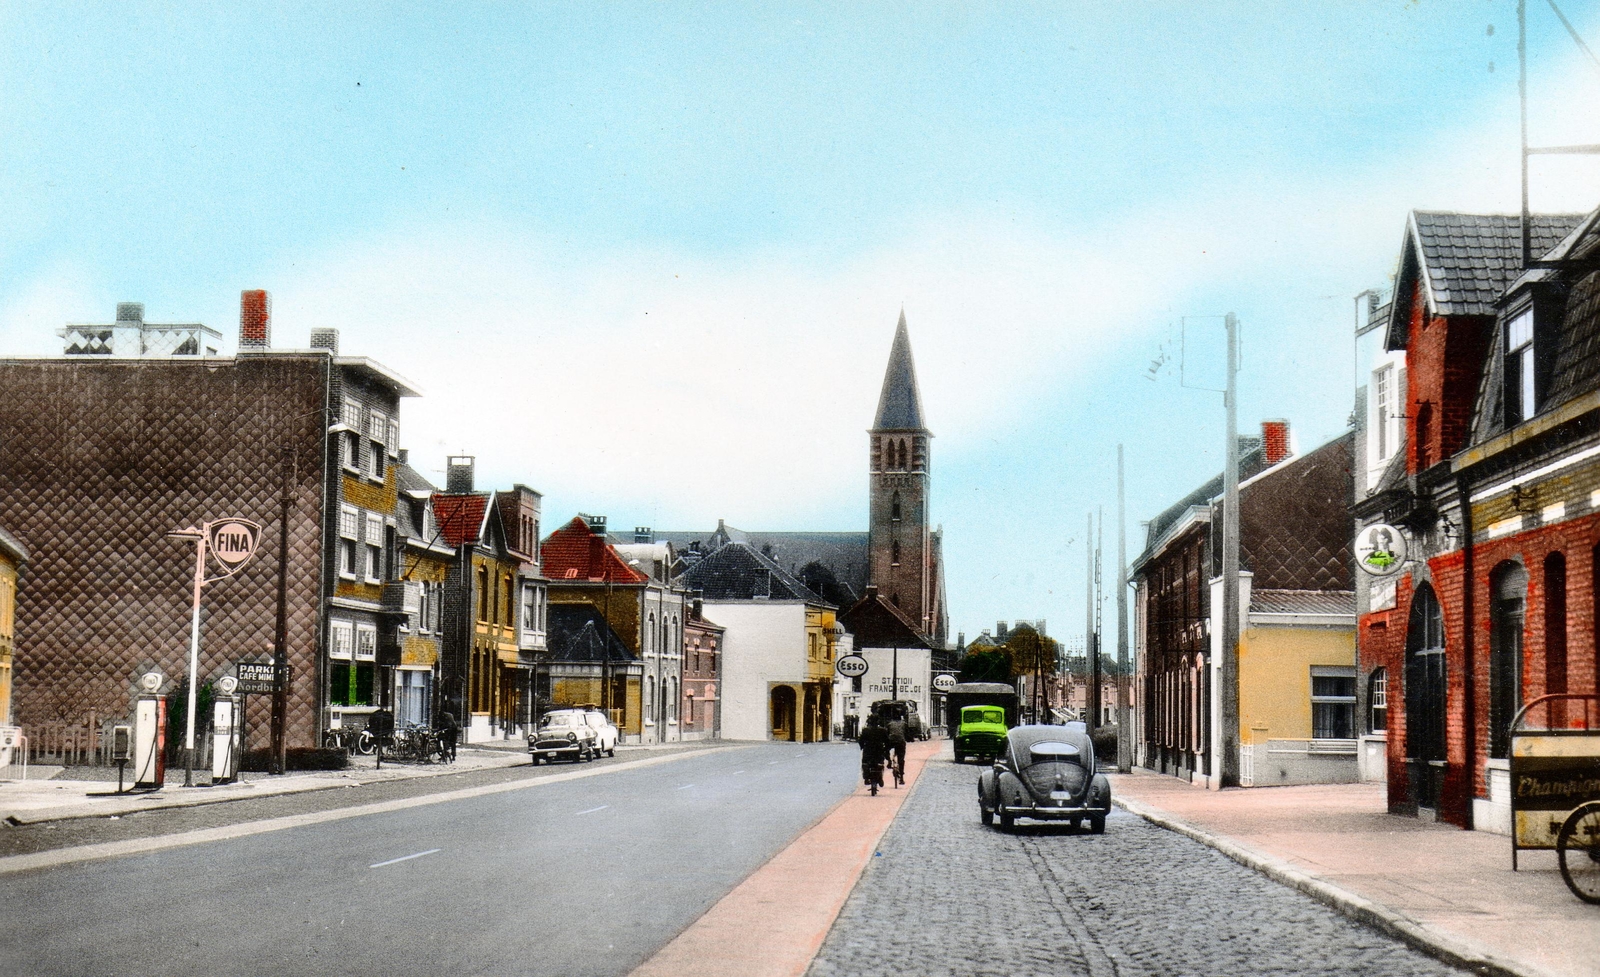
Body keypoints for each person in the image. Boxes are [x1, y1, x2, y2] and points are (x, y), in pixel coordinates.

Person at [857, 715, 888, 794]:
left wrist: (862, 747)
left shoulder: (865, 730)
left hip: (868, 750)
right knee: (880, 763)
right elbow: (887, 741)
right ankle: (880, 778)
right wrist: (886, 748)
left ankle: (866, 778)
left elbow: (861, 740)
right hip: (879, 750)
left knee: (865, 764)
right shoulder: (883, 730)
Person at [885, 715, 908, 787]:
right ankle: (901, 777)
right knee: (901, 759)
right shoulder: (904, 723)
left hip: (891, 741)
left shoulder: (889, 724)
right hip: (901, 742)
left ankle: (889, 761)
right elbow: (907, 734)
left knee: (886, 750)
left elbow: (887, 734)